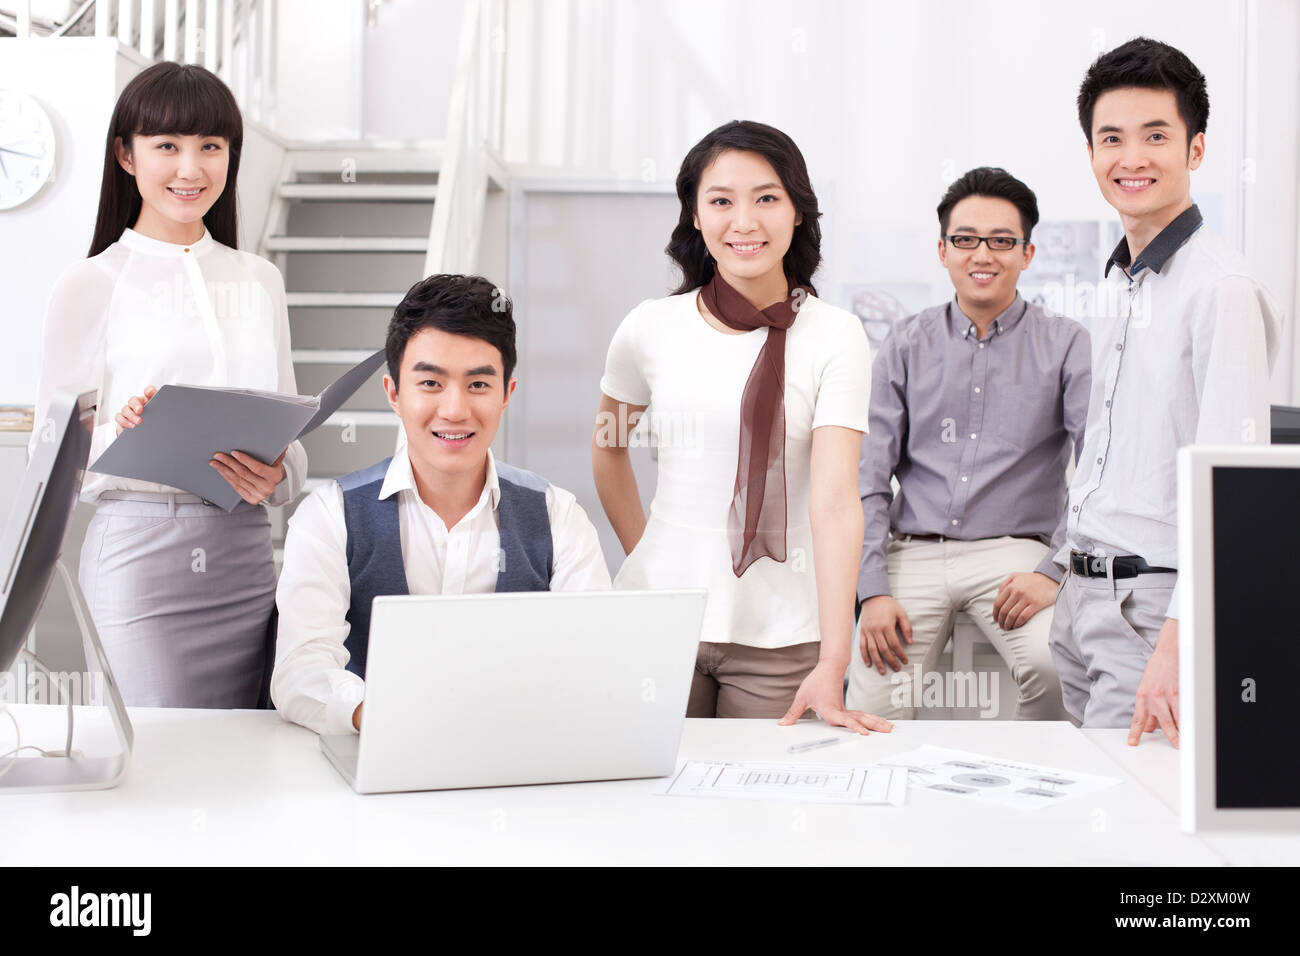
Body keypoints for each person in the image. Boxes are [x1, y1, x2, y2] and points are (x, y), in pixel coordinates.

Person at [592, 120, 890, 734]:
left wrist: (834, 659)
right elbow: (608, 448)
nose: (744, 221)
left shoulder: (836, 336)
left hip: (781, 639)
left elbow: (836, 502)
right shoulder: (649, 327)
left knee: (758, 819)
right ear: (696, 217)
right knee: (651, 805)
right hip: (660, 619)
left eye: (766, 198)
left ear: (798, 211)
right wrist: (648, 554)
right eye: (721, 201)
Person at [31, 62, 307, 708]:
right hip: (140, 555)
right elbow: (55, 453)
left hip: (246, 553)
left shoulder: (259, 279)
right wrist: (127, 434)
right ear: (126, 156)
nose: (191, 169)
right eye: (168, 147)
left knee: (245, 758)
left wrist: (280, 475)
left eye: (211, 146)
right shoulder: (90, 284)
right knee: (161, 757)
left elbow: (293, 440)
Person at [1051, 37, 1281, 745]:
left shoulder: (1221, 287)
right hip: (1085, 593)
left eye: (1157, 135)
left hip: (1152, 609)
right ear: (1090, 152)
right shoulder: (1121, 278)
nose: (1132, 158)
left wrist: (1178, 646)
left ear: (1197, 149)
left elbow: (1234, 487)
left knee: (1130, 828)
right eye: (1110, 138)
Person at [272, 274, 612, 735]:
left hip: (519, 768)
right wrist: (380, 714)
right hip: (375, 765)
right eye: (431, 382)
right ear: (394, 393)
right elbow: (300, 669)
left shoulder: (559, 517)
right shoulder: (329, 516)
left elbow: (592, 660)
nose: (454, 410)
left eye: (477, 385)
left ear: (506, 395)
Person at [846, 167, 1089, 721]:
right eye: (966, 240)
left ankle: (1031, 791)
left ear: (1027, 253)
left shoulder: (1067, 343)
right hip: (914, 552)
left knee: (1056, 667)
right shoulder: (905, 343)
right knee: (869, 706)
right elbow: (869, 476)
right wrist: (872, 588)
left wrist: (1055, 569)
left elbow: (1098, 468)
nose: (984, 254)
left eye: (1002, 241)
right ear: (943, 250)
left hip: (1014, 552)